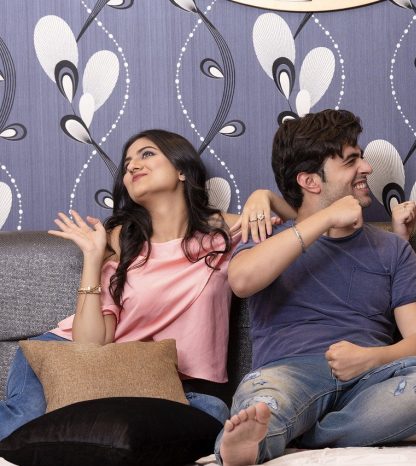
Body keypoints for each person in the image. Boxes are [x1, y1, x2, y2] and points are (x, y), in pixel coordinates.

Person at [0, 129, 294, 441]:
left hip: (167, 384)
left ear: (182, 170)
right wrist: (93, 259)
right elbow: (89, 345)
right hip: (69, 358)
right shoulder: (124, 250)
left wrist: (267, 198)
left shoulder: (225, 238)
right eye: (127, 164)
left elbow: (304, 230)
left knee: (212, 412)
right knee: (21, 425)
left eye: (147, 154)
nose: (133, 166)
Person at [216, 109, 416, 466]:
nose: (366, 168)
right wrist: (326, 217)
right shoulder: (267, 234)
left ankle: (309, 434)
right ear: (311, 181)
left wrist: (371, 358)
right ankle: (250, 444)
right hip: (287, 374)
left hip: (368, 380)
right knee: (263, 404)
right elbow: (241, 281)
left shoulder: (392, 248)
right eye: (351, 160)